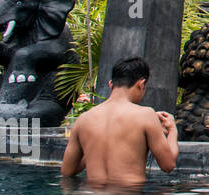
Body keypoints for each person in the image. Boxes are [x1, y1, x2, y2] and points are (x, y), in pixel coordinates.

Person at [60, 56, 178, 187]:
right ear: (141, 84)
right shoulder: (146, 115)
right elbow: (168, 165)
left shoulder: (84, 119)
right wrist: (172, 130)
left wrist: (94, 147)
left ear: (111, 84)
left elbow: (67, 171)